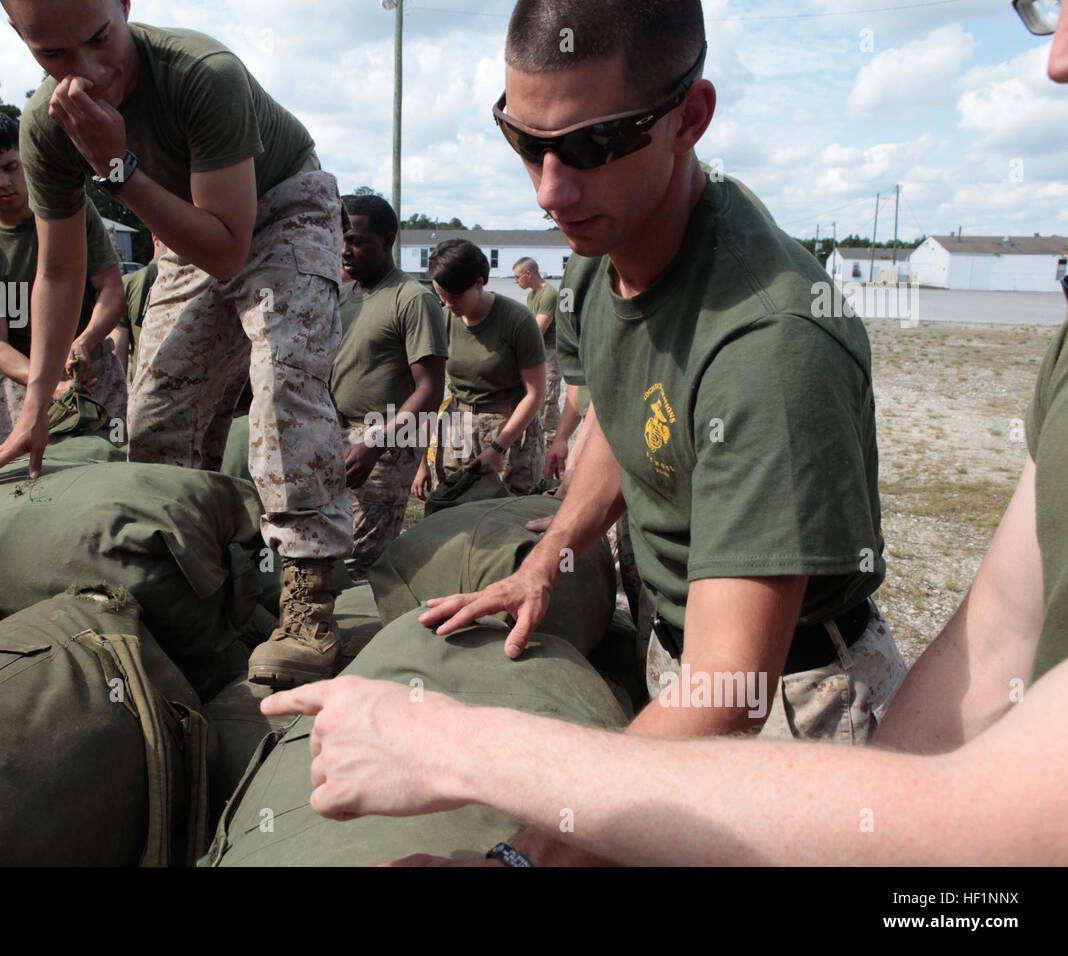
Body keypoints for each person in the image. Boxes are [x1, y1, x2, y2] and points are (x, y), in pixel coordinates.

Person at [260, 0, 1068, 867]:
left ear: (691, 117)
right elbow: (619, 411)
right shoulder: (606, 253)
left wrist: (521, 852)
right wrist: (549, 556)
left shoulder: (771, 344)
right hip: (680, 660)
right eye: (527, 143)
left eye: (594, 145)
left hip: (792, 713)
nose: (550, 189)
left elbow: (733, 691)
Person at [0, 0, 354, 689]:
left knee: (283, 378)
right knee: (156, 418)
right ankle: (201, 587)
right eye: (54, 57)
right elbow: (59, 270)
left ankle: (310, 599)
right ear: (22, 41)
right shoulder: (45, 125)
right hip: (185, 219)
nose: (87, 74)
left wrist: (117, 166)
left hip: (276, 208)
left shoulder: (201, 73)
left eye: (99, 40)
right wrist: (35, 402)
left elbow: (228, 248)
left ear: (125, 5)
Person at [0, 108, 128, 442]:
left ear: (25, 157)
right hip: (26, 383)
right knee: (39, 483)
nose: (3, 183)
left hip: (95, 372)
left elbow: (111, 290)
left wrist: (85, 340)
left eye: (11, 167)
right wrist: (48, 384)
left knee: (113, 468)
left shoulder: (72, 207)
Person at [331, 195, 447, 581]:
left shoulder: (412, 299)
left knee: (359, 561)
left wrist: (374, 444)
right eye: (341, 238)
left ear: (388, 240)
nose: (346, 250)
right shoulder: (344, 295)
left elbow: (429, 390)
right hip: (336, 431)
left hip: (384, 439)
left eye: (358, 240)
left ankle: (366, 635)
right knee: (325, 546)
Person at [412, 239, 546, 498]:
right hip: (458, 429)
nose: (448, 304)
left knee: (507, 518)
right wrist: (420, 462)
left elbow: (535, 394)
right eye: (441, 295)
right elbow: (428, 392)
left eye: (455, 296)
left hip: (510, 432)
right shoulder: (442, 320)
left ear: (479, 282)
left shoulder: (517, 320)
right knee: (455, 512)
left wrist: (498, 447)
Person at [512, 256, 562, 446]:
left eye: (517, 277)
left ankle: (551, 444)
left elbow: (538, 329)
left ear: (529, 273)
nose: (516, 281)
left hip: (548, 352)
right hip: (537, 351)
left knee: (548, 399)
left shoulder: (548, 294)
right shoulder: (532, 295)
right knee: (533, 397)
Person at [112, 233, 164, 379]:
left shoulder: (130, 283)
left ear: (155, 237)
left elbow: (118, 352)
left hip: (147, 391)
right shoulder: (209, 277)